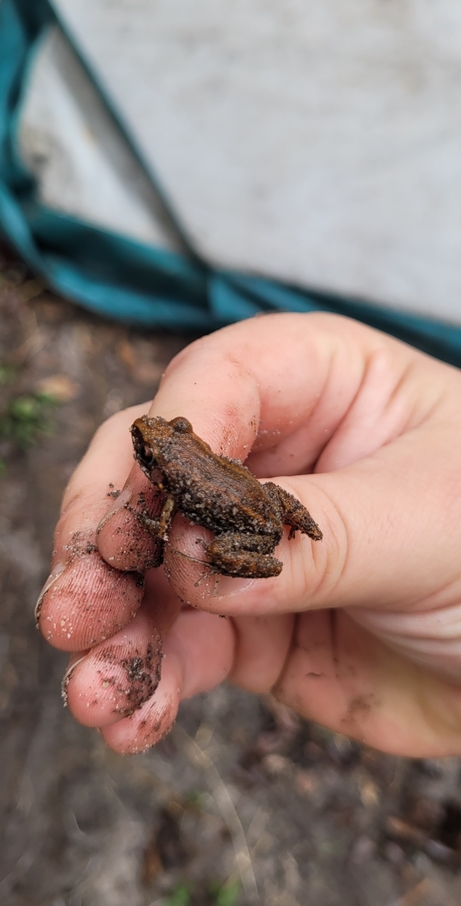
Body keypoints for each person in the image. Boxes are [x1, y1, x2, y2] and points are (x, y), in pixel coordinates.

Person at [36, 312, 461, 757]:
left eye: (154, 448)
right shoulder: (181, 477)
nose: (143, 444)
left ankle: (288, 543)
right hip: (262, 500)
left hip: (248, 529)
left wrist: (150, 523)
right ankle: (303, 524)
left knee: (211, 552)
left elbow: (161, 529)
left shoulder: (170, 490)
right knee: (268, 498)